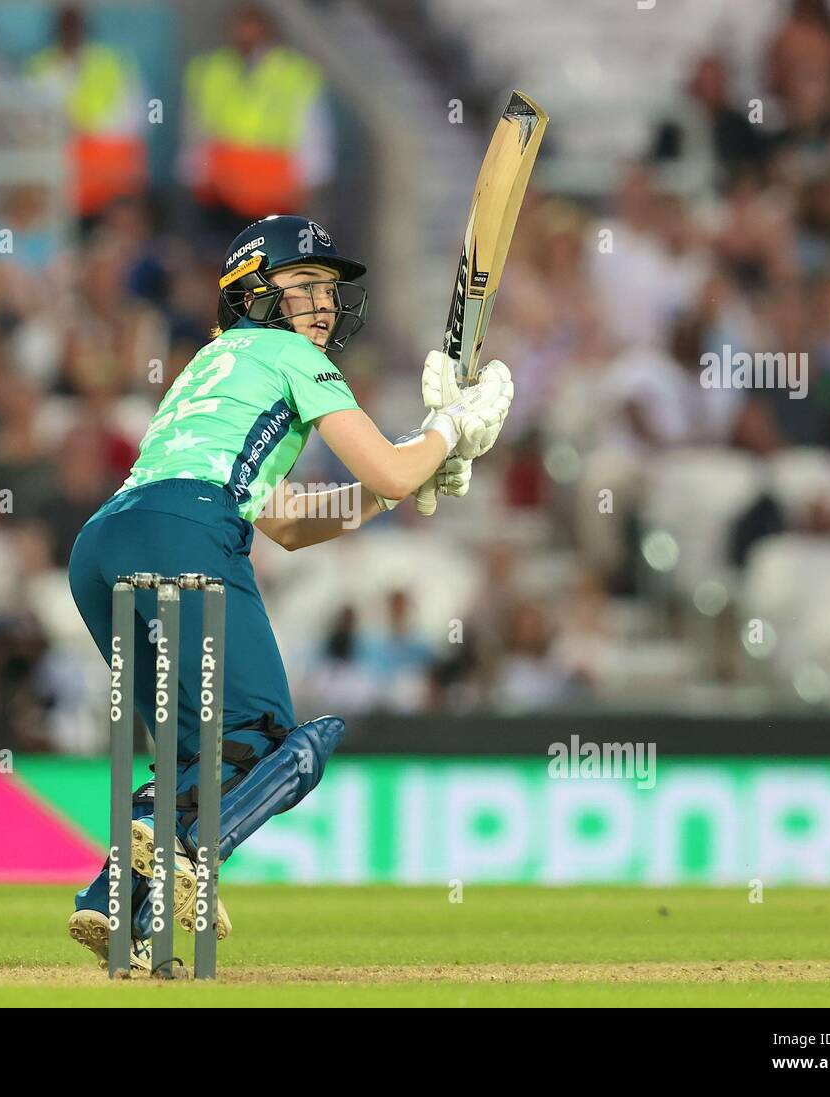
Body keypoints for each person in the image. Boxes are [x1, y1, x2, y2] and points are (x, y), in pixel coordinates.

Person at [65, 214, 514, 970]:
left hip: (105, 544)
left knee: (192, 756)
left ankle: (112, 898)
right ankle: (186, 856)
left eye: (329, 291)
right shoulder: (288, 355)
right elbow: (390, 471)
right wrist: (447, 432)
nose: (323, 305)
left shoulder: (209, 364)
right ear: (253, 294)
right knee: (272, 742)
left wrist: (409, 473)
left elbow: (294, 524)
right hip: (188, 531)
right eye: (303, 286)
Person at [179, 4, 334, 242]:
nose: (243, 35)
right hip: (221, 192)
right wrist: (194, 173)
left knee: (267, 265)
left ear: (267, 30)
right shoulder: (211, 69)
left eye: (250, 27)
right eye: (238, 27)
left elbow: (313, 132)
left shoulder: (295, 74)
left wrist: (308, 181)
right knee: (220, 262)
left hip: (273, 196)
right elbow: (197, 129)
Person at [25, 4, 146, 236]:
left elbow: (135, 118)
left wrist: (85, 127)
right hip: (61, 183)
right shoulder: (39, 67)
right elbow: (31, 124)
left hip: (106, 183)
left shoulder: (112, 64)